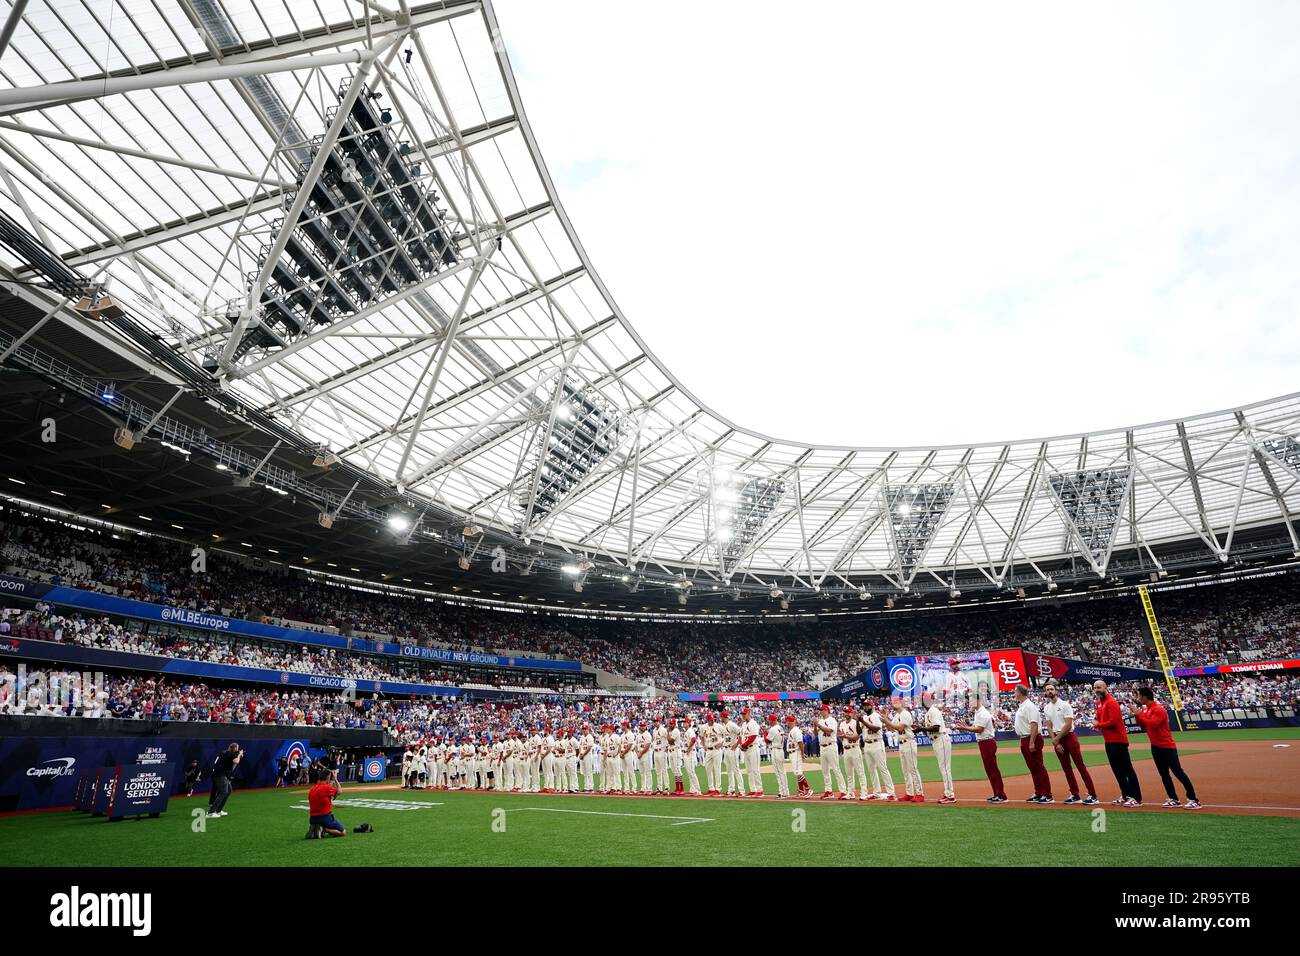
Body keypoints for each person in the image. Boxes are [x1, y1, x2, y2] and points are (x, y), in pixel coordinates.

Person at [1133, 687, 1200, 809]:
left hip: (1167, 747)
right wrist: (1137, 715)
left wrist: (1139, 714)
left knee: (1178, 772)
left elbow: (1153, 724)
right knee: (1164, 774)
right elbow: (1143, 724)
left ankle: (1193, 799)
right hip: (1156, 747)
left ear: (1145, 697)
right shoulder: (1147, 710)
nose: (1138, 698)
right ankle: (1173, 798)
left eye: (1139, 696)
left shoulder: (1158, 710)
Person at [1043, 682, 1098, 805]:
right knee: (1066, 768)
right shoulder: (1046, 708)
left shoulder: (1065, 705)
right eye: (1047, 690)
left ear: (1056, 691)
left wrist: (1057, 739)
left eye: (1051, 689)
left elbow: (1068, 725)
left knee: (1080, 766)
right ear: (1045, 693)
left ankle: (1092, 794)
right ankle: (1075, 794)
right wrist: (1055, 742)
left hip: (1069, 737)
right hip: (1057, 739)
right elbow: (1049, 726)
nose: (1050, 691)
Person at [1094, 680, 1142, 807]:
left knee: (1127, 769)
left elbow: (1113, 722)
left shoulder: (1111, 702)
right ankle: (1126, 795)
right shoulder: (1100, 703)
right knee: (1117, 770)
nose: (1097, 689)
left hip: (1118, 740)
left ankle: (1136, 797)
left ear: (1105, 688)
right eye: (1095, 688)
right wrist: (1098, 724)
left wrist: (1099, 725)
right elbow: (1100, 720)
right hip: (1109, 741)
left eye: (1099, 687)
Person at [956, 690, 1005, 803]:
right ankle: (997, 793)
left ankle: (1001, 795)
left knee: (993, 770)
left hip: (987, 742)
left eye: (971, 700)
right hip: (983, 742)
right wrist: (967, 727)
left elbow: (979, 729)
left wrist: (965, 728)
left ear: (978, 700)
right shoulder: (978, 712)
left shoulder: (983, 713)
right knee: (989, 770)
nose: (969, 702)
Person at [1013, 685, 1052, 803]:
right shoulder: (1023, 706)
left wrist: (1031, 742)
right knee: (1033, 768)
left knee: (1039, 767)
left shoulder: (1029, 706)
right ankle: (1039, 792)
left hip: (1031, 738)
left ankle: (1047, 794)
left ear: (1020, 693)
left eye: (1015, 691)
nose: (1014, 693)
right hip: (1025, 738)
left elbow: (1034, 724)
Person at [881, 696, 924, 802]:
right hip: (901, 744)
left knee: (913, 769)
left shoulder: (906, 714)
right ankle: (909, 793)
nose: (894, 703)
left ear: (901, 703)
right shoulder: (896, 715)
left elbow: (900, 728)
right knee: (905, 771)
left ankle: (919, 793)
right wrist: (886, 720)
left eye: (896, 701)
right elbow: (891, 728)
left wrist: (887, 721)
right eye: (893, 701)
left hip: (908, 742)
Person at [916, 693, 955, 804]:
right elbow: (929, 730)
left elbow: (936, 727)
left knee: (945, 768)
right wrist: (919, 729)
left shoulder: (934, 711)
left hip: (941, 738)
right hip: (936, 740)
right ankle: (948, 793)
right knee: (943, 767)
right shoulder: (927, 713)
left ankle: (950, 795)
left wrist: (921, 728)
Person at [859, 699, 896, 801]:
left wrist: (863, 721)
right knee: (871, 770)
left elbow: (876, 729)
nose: (865, 707)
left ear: (872, 706)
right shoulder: (865, 717)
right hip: (867, 744)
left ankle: (891, 793)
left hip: (877, 744)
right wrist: (859, 721)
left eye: (867, 705)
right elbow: (859, 731)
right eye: (864, 705)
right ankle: (876, 792)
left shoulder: (876, 716)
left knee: (883, 768)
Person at [815, 705, 847, 799]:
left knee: (836, 768)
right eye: (820, 710)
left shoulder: (832, 720)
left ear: (826, 710)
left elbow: (829, 731)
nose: (820, 712)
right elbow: (815, 734)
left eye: (822, 710)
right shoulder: (820, 721)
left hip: (831, 745)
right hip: (822, 746)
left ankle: (843, 791)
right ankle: (828, 791)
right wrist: (815, 725)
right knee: (825, 770)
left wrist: (819, 725)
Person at [306, 766, 346, 839]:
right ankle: (323, 829)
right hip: (324, 818)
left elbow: (326, 790)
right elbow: (340, 791)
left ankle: (316, 827)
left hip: (312, 819)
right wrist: (336, 779)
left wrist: (332, 780)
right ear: (328, 778)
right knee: (342, 832)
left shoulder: (313, 789)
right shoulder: (327, 787)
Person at [838, 705, 866, 800]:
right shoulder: (842, 724)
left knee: (860, 772)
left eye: (848, 712)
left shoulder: (855, 723)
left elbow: (857, 737)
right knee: (849, 773)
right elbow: (841, 736)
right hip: (846, 749)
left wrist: (845, 736)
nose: (846, 714)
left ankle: (864, 792)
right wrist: (841, 736)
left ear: (852, 713)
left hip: (854, 748)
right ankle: (850, 793)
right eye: (845, 712)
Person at [207, 743, 241, 818]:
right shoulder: (229, 753)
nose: (238, 750)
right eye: (237, 748)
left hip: (222, 775)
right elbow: (236, 761)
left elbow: (232, 767)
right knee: (224, 792)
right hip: (219, 775)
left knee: (229, 790)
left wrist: (237, 756)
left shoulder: (225, 753)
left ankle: (218, 810)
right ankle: (211, 812)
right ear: (235, 748)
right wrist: (239, 755)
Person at [785, 715, 812, 797]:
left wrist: (802, 753)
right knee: (797, 773)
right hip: (792, 753)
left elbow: (800, 742)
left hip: (796, 752)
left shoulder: (796, 730)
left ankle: (808, 789)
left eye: (788, 721)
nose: (787, 723)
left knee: (798, 772)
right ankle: (801, 790)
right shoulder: (792, 730)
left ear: (792, 722)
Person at [739, 708, 763, 797]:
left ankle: (760, 790)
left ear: (749, 713)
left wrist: (743, 745)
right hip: (746, 749)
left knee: (755, 770)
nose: (743, 715)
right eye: (742, 714)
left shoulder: (754, 724)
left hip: (753, 748)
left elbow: (752, 737)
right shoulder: (743, 724)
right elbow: (741, 736)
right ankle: (753, 789)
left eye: (744, 714)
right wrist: (742, 745)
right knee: (749, 771)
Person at [765, 714, 788, 798]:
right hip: (781, 750)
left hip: (775, 750)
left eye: (770, 720)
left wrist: (765, 732)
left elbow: (767, 741)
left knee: (779, 772)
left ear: (773, 720)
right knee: (782, 772)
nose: (769, 721)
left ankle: (783, 793)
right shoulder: (780, 727)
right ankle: (785, 791)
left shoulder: (773, 729)